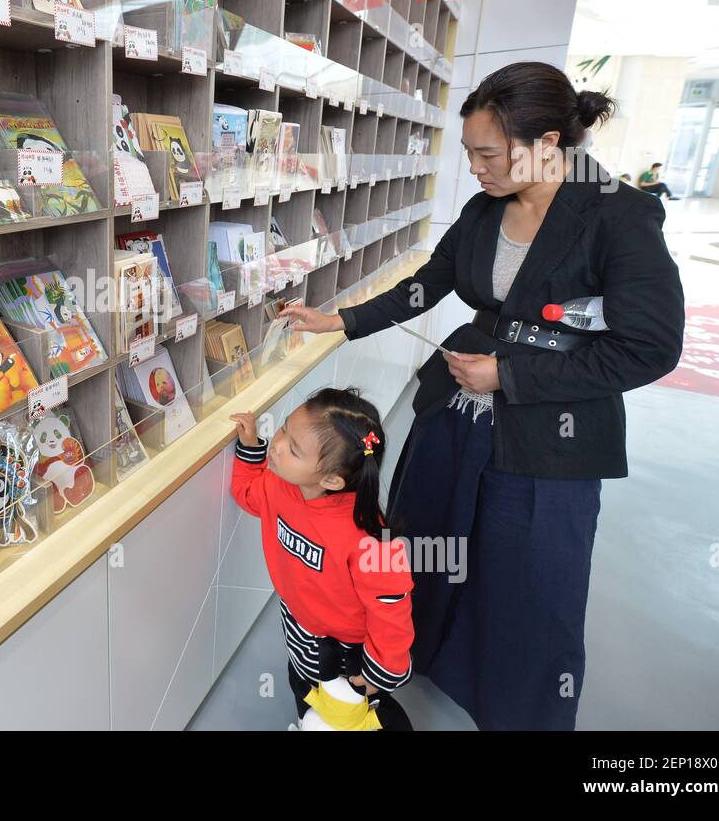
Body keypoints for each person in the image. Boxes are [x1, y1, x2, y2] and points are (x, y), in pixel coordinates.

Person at [279, 61, 685, 730]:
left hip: (548, 441)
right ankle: (412, 665)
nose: (475, 167)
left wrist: (510, 377)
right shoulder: (486, 206)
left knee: (529, 590)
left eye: (487, 153)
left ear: (548, 143)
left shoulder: (619, 216)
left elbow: (650, 347)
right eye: (470, 152)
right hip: (457, 420)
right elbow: (430, 282)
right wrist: (343, 319)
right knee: (431, 553)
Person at [229, 388, 414, 731]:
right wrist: (251, 446)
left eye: (294, 450)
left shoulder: (367, 537)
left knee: (358, 716)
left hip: (351, 656)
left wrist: (381, 671)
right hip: (300, 632)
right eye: (284, 428)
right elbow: (247, 493)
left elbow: (392, 607)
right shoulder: (278, 485)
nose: (278, 444)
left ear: (331, 479)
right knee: (305, 693)